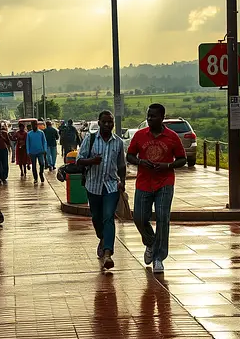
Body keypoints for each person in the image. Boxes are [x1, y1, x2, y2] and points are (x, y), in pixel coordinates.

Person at [126, 103, 186, 273]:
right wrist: (140, 161)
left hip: (165, 182)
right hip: (144, 183)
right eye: (148, 116)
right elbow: (130, 155)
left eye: (153, 116)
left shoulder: (172, 137)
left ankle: (159, 258)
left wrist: (168, 165)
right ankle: (150, 242)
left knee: (162, 218)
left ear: (162, 117)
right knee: (139, 217)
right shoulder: (140, 135)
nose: (149, 119)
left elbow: (182, 159)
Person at [76, 110, 126, 270]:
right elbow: (79, 160)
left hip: (111, 186)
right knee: (97, 218)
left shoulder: (118, 142)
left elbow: (121, 165)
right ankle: (103, 238)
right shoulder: (90, 139)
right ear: (99, 123)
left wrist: (122, 181)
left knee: (108, 217)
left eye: (110, 122)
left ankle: (108, 254)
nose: (107, 125)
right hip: (93, 186)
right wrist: (92, 160)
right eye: (104, 122)